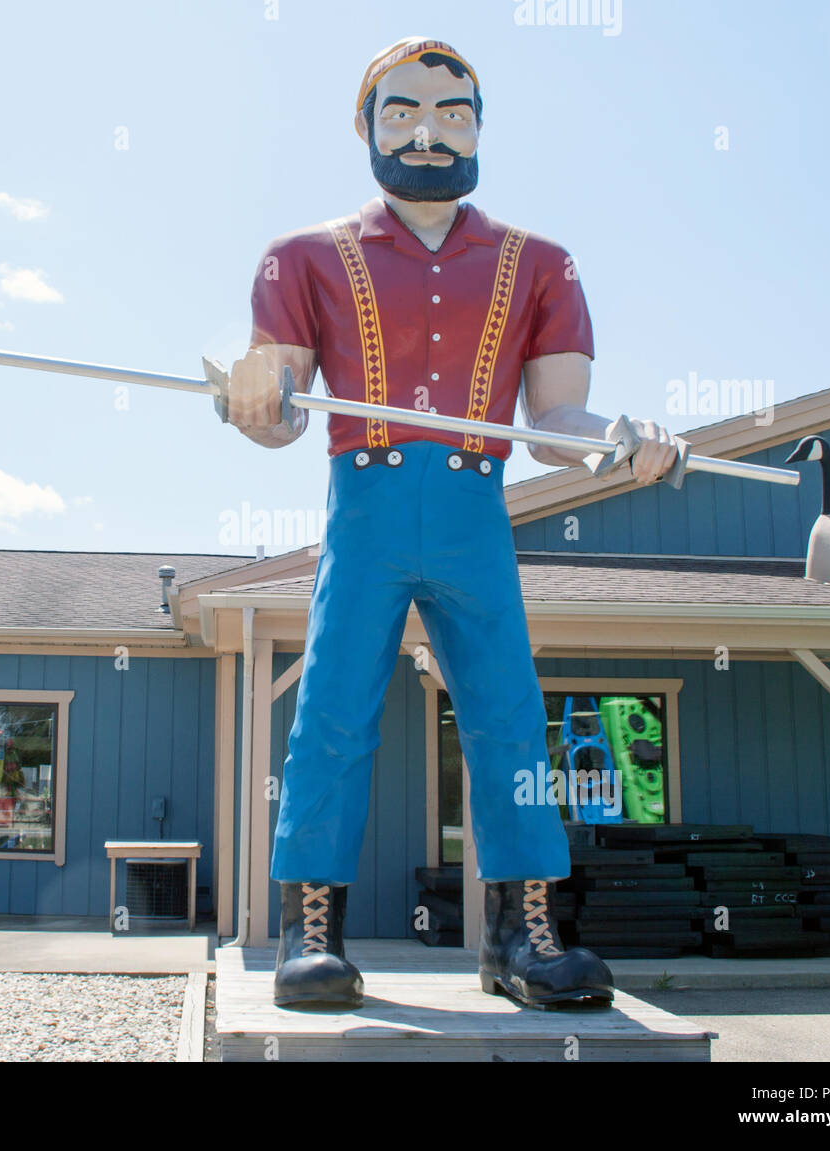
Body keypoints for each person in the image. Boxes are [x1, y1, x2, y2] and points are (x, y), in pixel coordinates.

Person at [226, 37, 680, 1011]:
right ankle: (314, 937)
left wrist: (619, 439)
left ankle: (526, 936)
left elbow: (556, 425)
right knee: (333, 716)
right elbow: (280, 408)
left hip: (478, 506)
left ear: (479, 125)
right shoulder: (300, 257)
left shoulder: (541, 263)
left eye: (452, 113)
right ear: (363, 125)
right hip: (367, 503)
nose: (427, 133)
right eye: (401, 112)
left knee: (510, 720)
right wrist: (256, 395)